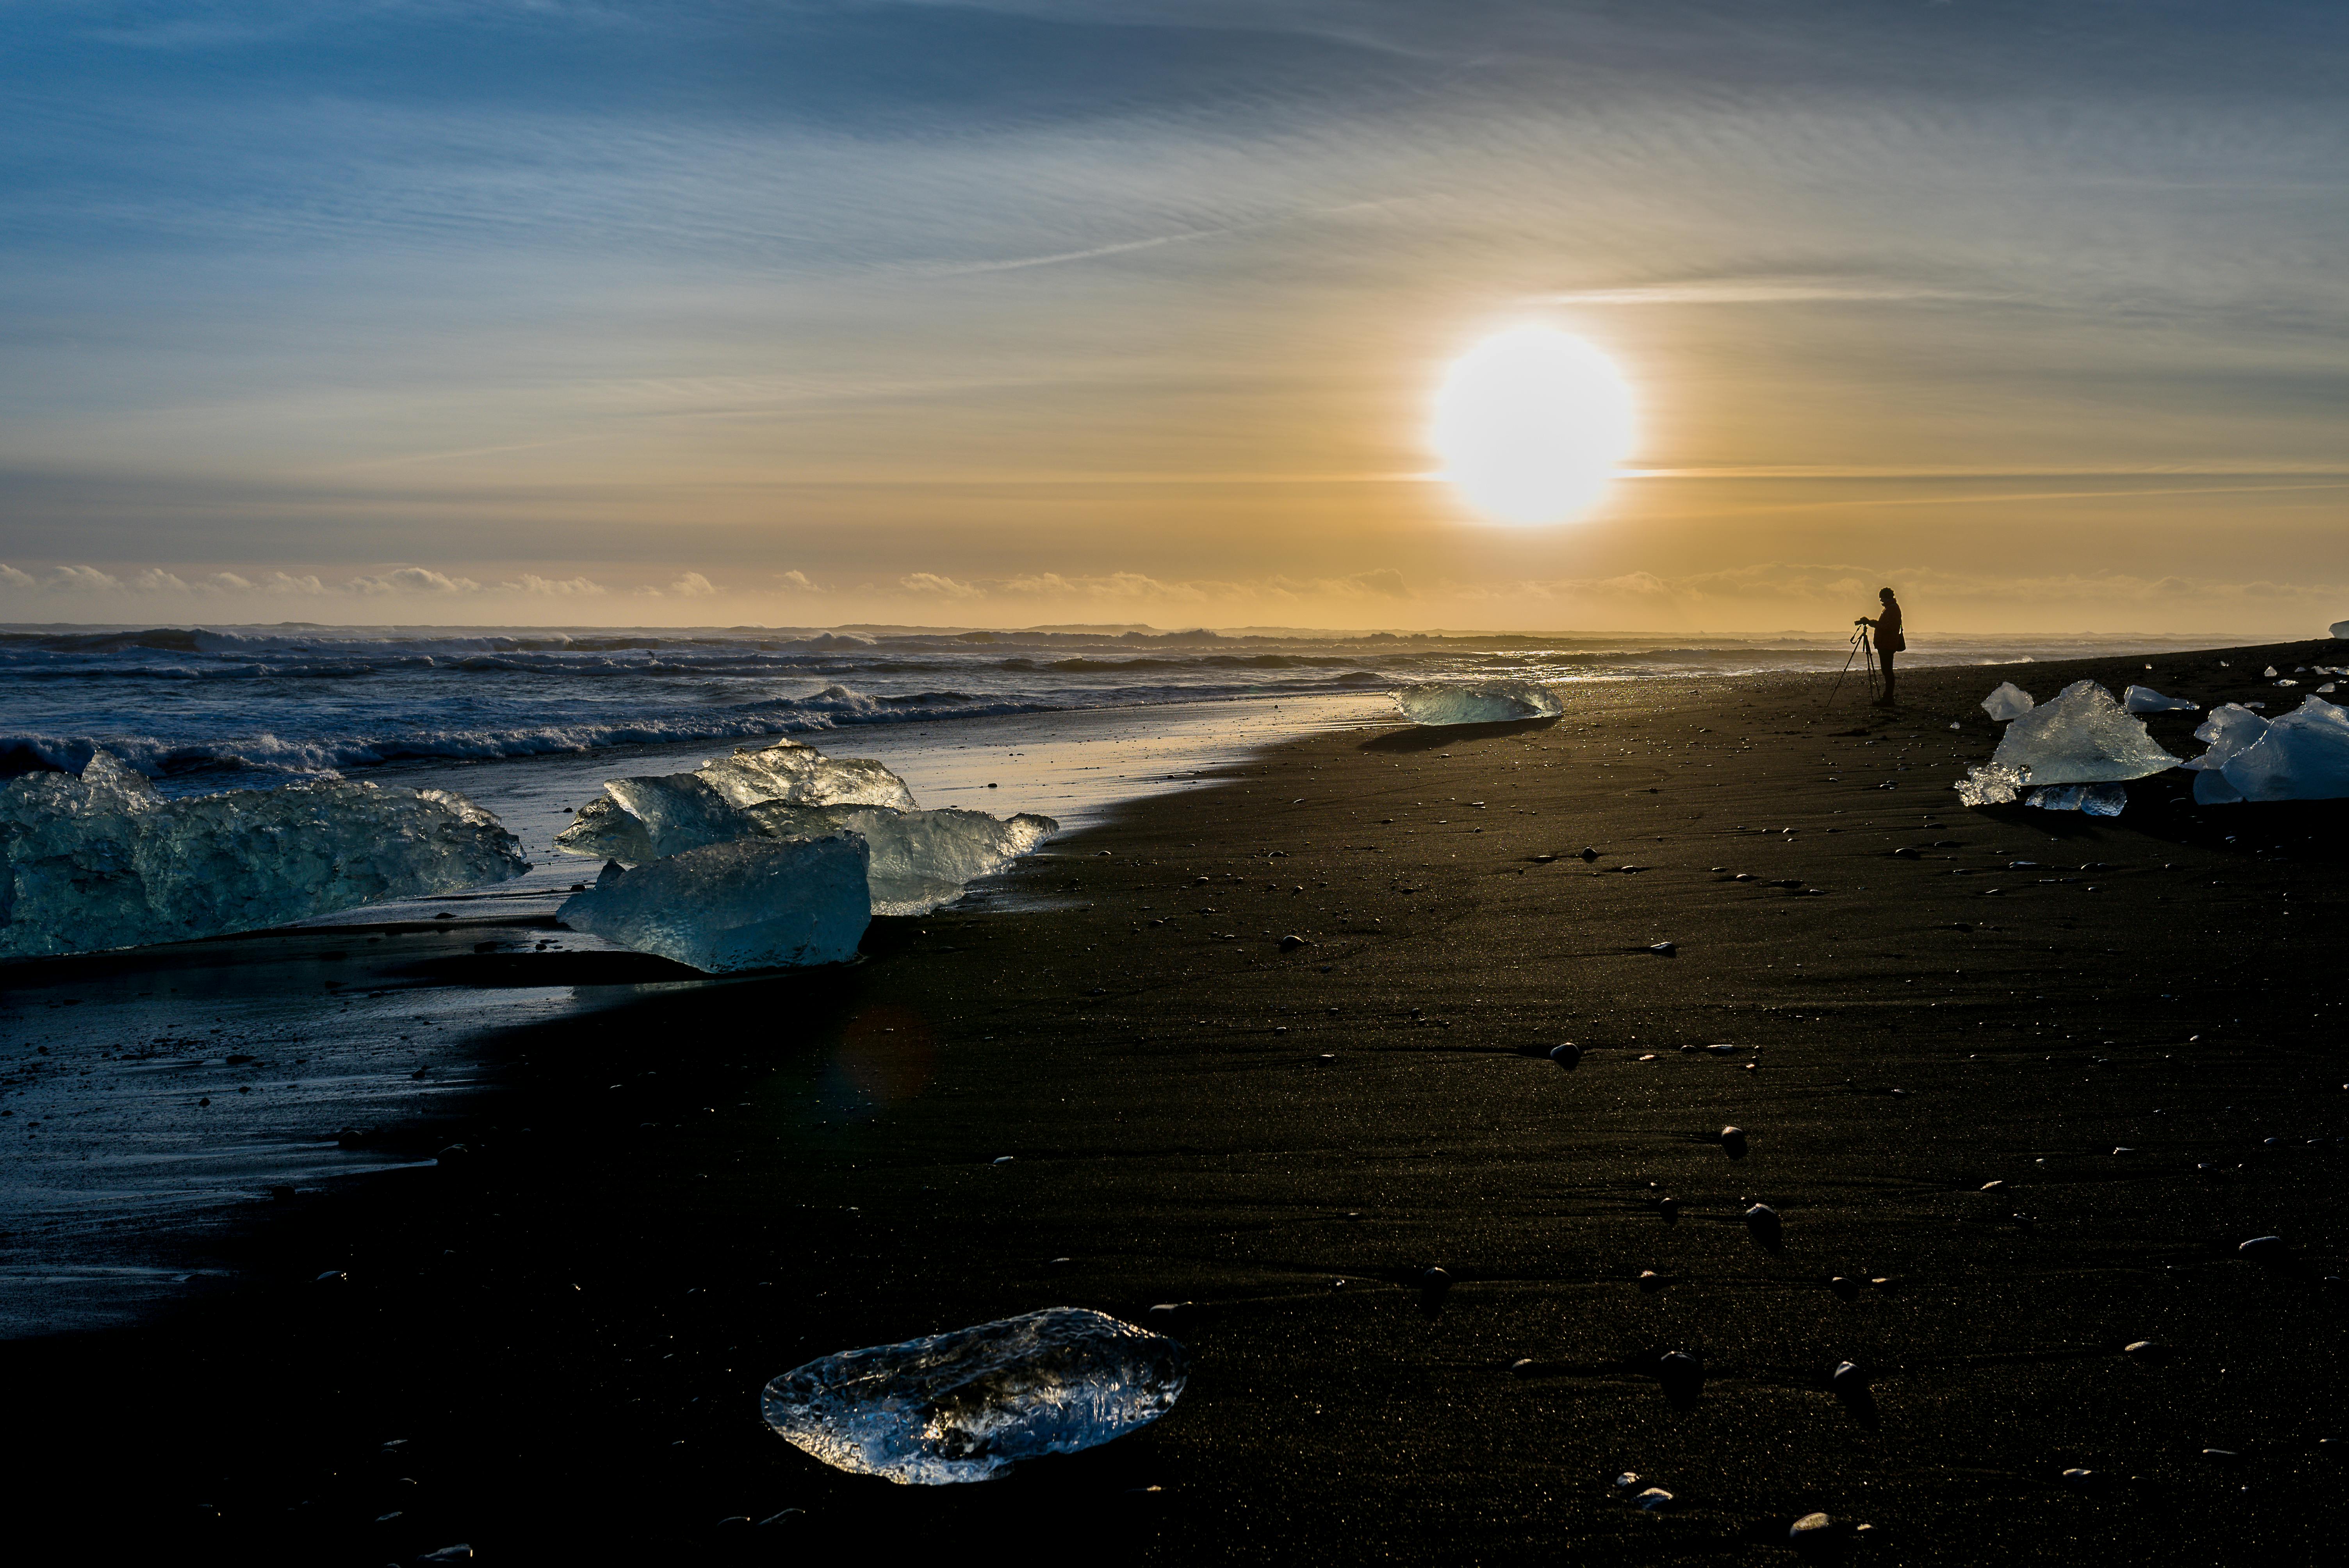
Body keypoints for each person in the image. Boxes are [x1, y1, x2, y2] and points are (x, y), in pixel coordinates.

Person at [1857, 587, 1904, 706]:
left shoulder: (1892, 610)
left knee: (1887, 671)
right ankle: (1888, 697)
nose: (1881, 601)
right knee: (1887, 671)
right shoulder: (1890, 609)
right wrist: (1873, 623)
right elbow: (1886, 625)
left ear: (1887, 597)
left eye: (1882, 599)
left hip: (1887, 644)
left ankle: (1888, 698)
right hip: (1886, 644)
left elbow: (1889, 627)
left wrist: (1873, 624)